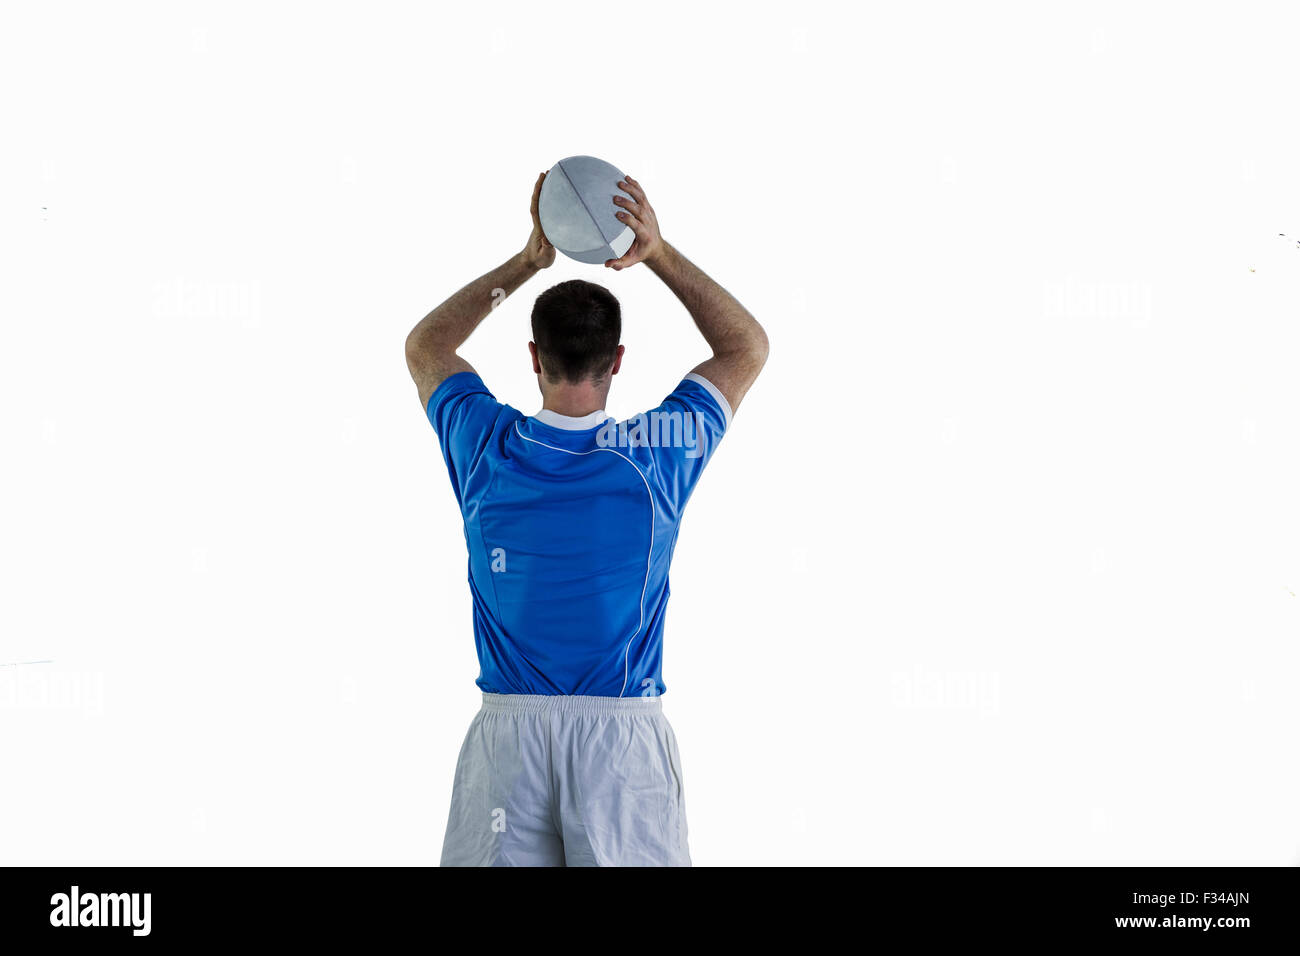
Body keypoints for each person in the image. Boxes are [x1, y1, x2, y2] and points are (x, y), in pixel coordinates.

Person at [405, 171, 768, 866]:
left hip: (507, 744)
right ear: (618, 362)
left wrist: (524, 265)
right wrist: (656, 252)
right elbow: (745, 346)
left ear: (535, 357)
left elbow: (426, 346)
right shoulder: (659, 452)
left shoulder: (485, 445)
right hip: (622, 745)